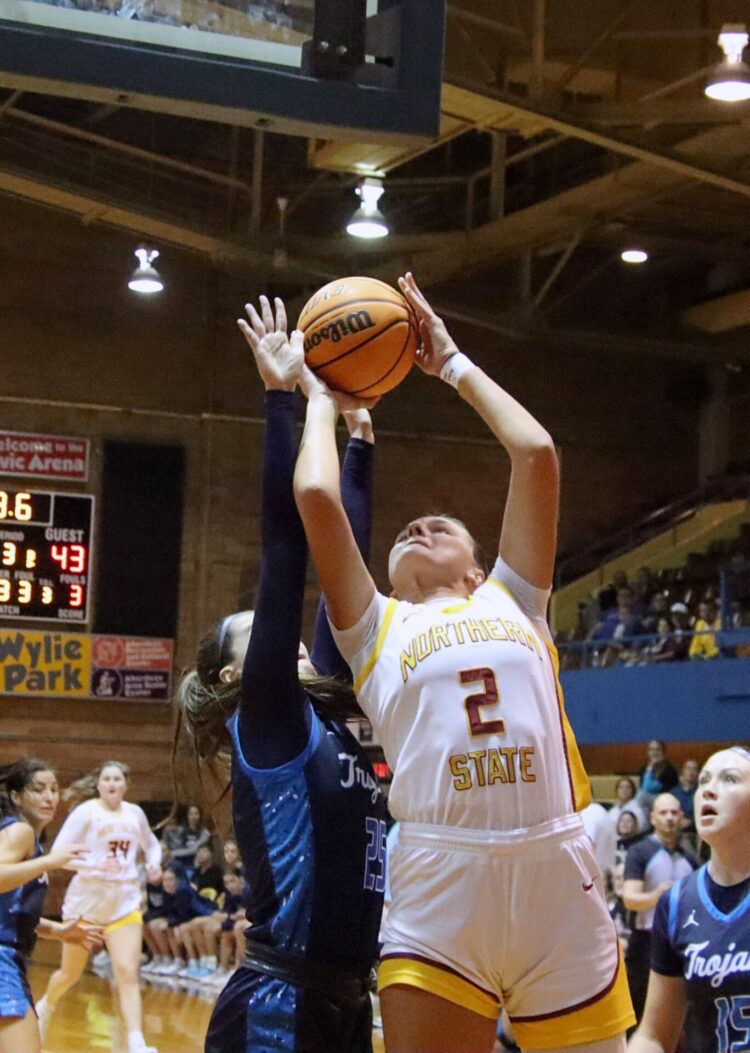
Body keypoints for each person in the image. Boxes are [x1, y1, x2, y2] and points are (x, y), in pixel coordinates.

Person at [294, 272, 634, 1053]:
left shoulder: (515, 600)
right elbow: (316, 494)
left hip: (555, 864)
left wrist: (450, 363)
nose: (418, 524)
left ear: (480, 568)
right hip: (441, 877)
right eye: (408, 528)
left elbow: (536, 453)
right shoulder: (375, 627)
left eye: (440, 525)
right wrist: (321, 395)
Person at [175, 295, 386, 1053]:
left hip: (346, 1003)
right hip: (278, 1006)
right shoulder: (266, 720)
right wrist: (286, 401)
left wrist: (360, 442)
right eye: (260, 638)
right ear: (237, 672)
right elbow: (288, 550)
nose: (289, 641)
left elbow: (339, 572)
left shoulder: (326, 713)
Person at [627, 746, 750, 1053]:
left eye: (729, 779)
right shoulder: (678, 902)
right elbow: (654, 1035)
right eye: (704, 780)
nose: (709, 790)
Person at [36, 760, 163, 1053]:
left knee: (127, 973)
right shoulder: (87, 812)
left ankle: (136, 1043)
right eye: (106, 779)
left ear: (126, 785)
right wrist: (94, 863)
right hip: (88, 902)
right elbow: (58, 856)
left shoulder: (135, 813)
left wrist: (154, 864)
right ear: (98, 784)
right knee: (70, 973)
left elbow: (152, 844)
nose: (111, 784)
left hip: (124, 900)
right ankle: (47, 1004)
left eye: (117, 779)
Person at [0, 759, 101, 1053]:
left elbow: (10, 909)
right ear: (17, 796)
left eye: (54, 789)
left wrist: (57, 931)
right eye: (38, 789)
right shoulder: (20, 832)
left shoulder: (27, 838)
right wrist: (50, 861)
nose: (49, 797)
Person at [622, 794, 696, 1025]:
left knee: (679, 1013)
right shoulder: (639, 852)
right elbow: (630, 899)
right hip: (645, 942)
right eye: (664, 813)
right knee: (640, 1011)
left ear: (682, 817)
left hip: (682, 943)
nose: (670, 818)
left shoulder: (690, 858)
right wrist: (657, 896)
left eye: (674, 813)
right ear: (653, 818)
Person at [163, 805, 212, 879]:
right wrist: (166, 832)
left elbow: (194, 850)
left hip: (195, 865)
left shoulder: (204, 833)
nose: (193, 816)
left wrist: (174, 853)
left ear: (200, 815)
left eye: (196, 813)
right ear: (187, 815)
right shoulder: (181, 830)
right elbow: (169, 843)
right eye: (191, 814)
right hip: (178, 864)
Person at [636, 742, 678, 813]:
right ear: (648, 753)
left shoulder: (670, 770)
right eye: (652, 750)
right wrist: (650, 767)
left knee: (641, 796)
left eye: (658, 750)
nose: (655, 753)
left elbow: (650, 787)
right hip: (647, 804)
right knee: (641, 797)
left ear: (663, 753)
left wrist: (651, 767)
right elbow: (643, 787)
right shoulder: (643, 769)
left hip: (665, 801)